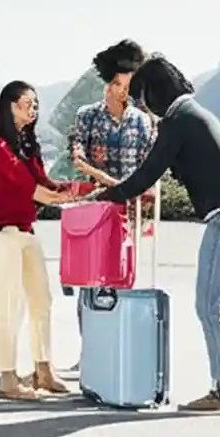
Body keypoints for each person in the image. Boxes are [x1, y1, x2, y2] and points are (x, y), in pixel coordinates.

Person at [92, 54, 220, 413]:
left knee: (208, 305)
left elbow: (148, 173)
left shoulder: (178, 120)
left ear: (156, 92)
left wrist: (109, 195)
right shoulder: (197, 114)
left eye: (143, 98)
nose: (145, 108)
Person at [0, 80, 77, 400]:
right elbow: (39, 192)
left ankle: (43, 370)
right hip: (0, 233)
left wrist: (84, 188)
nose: (32, 110)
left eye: (35, 104)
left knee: (41, 301)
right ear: (9, 106)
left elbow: (47, 183)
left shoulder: (25, 145)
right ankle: (7, 378)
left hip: (25, 231)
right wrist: (79, 195)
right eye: (26, 103)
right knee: (9, 306)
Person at [62, 39, 156, 370]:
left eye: (127, 86)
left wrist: (143, 199)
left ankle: (117, 349)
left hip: (129, 213)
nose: (121, 92)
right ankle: (90, 352)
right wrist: (114, 184)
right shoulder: (87, 116)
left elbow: (150, 164)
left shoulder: (143, 121)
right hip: (96, 209)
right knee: (89, 280)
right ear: (107, 83)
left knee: (123, 279)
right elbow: (78, 158)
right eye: (116, 84)